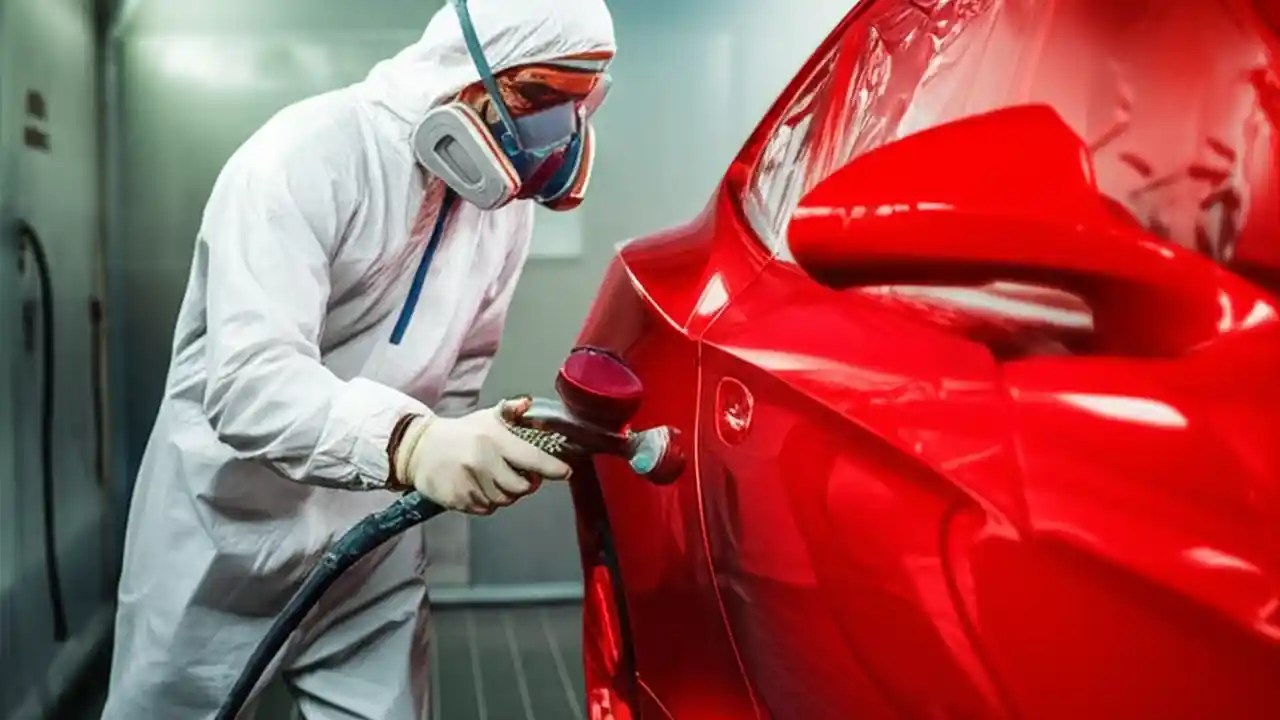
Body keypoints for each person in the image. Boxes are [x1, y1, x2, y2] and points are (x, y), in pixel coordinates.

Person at [101, 0, 615, 717]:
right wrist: (414, 442)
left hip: (372, 533)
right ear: (469, 73)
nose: (559, 130)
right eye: (539, 95)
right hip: (225, 535)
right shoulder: (304, 155)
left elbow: (464, 362)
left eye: (580, 100)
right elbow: (249, 384)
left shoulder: (503, 212)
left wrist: (465, 445)